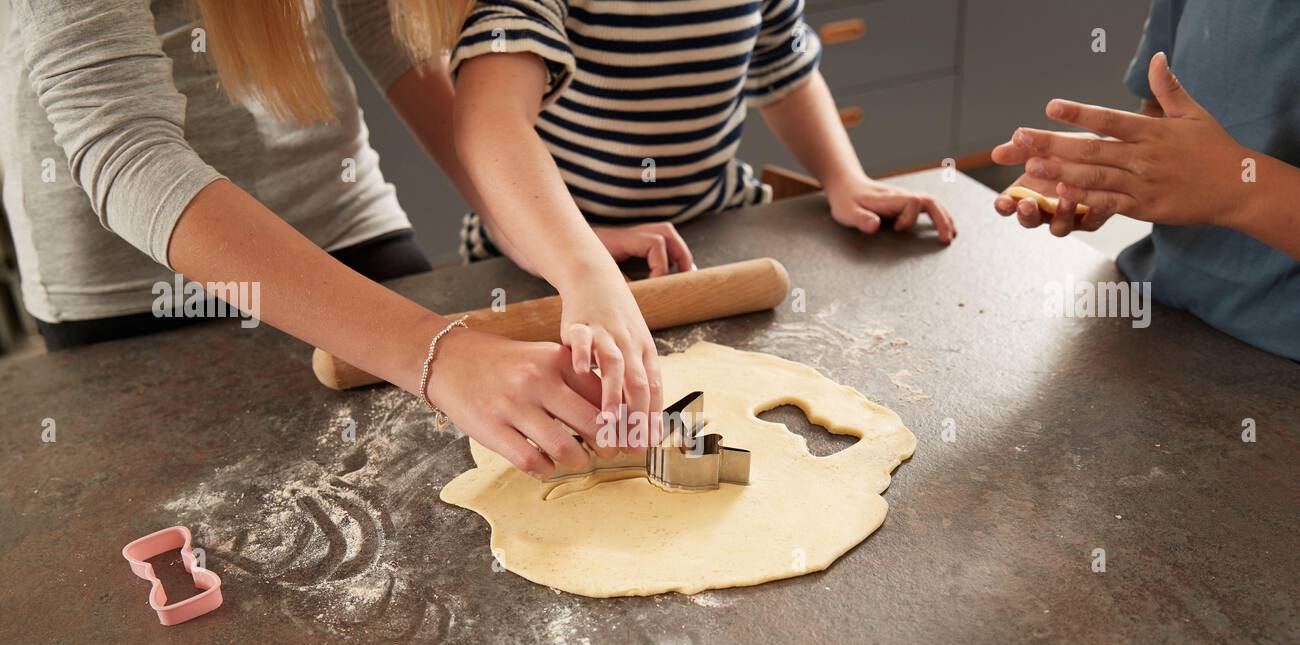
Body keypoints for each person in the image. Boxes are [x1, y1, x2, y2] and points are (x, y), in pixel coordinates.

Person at [1, 0, 689, 479]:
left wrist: (557, 244)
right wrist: (439, 354)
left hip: (338, 209)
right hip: (132, 284)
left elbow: (391, 30)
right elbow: (128, 153)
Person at [446, 0, 959, 432]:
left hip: (707, 231)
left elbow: (784, 67)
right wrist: (582, 266)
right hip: (541, 257)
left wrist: (844, 177)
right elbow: (491, 117)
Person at [991, 1, 1300, 361]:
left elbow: (1219, 175)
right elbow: (1159, 109)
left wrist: (1235, 189)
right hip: (1159, 304)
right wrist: (1109, 174)